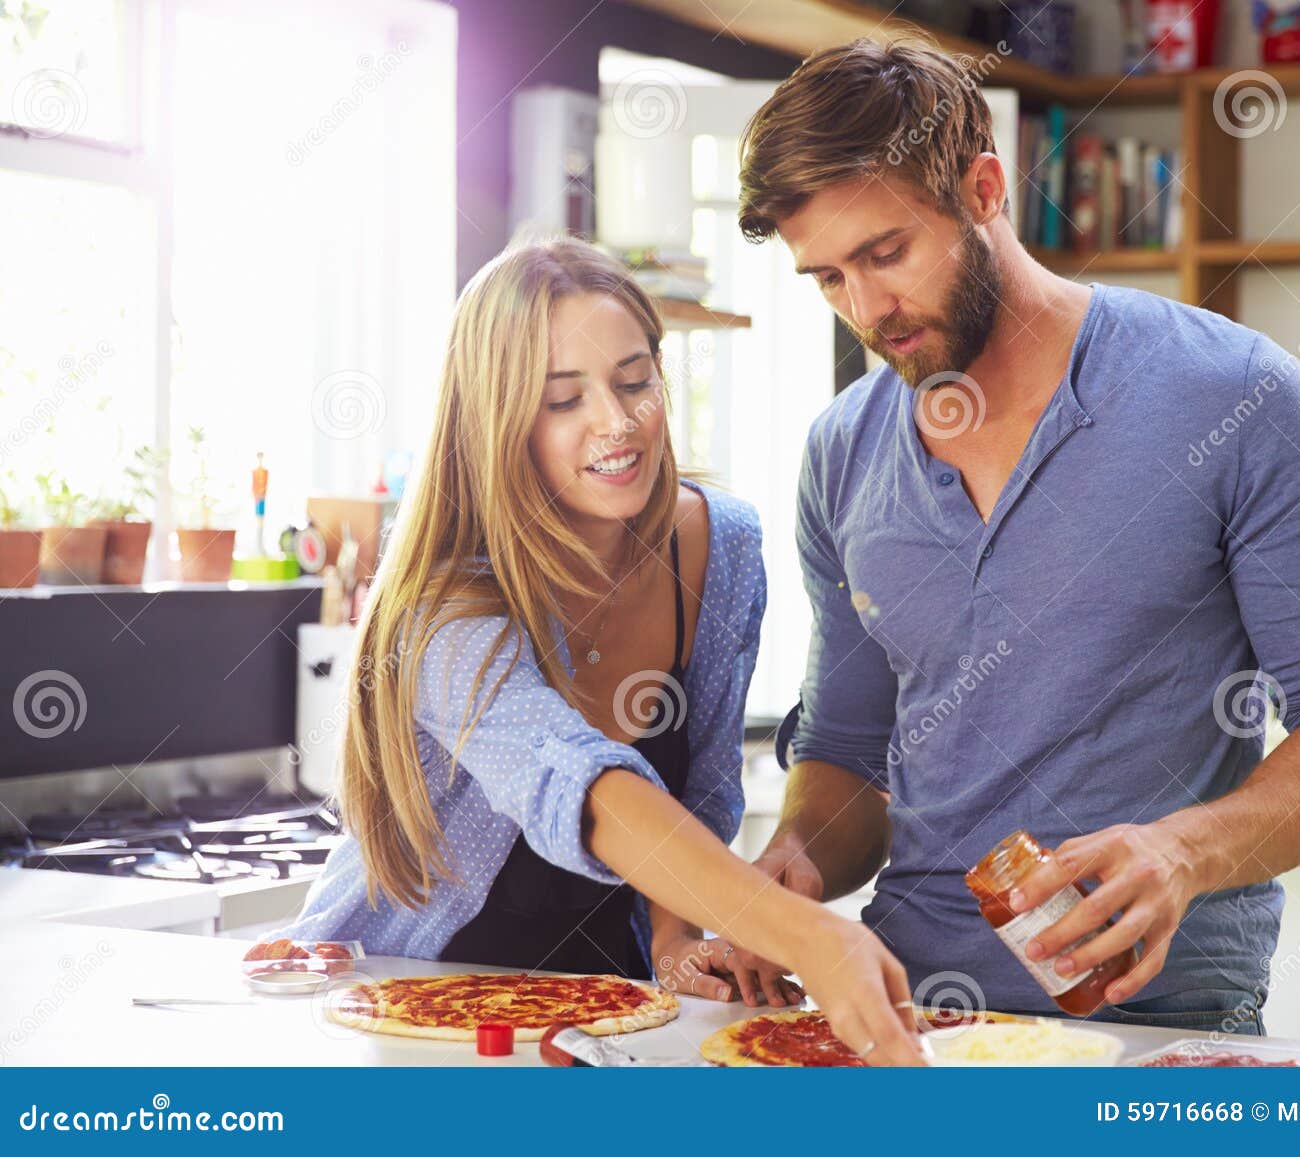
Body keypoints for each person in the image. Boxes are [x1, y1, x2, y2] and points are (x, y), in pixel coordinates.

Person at [738, 40, 1300, 1034]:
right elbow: (849, 753)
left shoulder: (1235, 394)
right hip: (911, 1022)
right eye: (828, 277)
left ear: (984, 188)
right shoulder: (843, 451)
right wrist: (790, 867)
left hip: (1161, 1024)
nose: (866, 310)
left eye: (887, 253)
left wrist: (1180, 850)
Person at [281, 239, 923, 1064]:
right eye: (562, 399)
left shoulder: (719, 547)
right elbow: (575, 780)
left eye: (633, 380)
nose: (617, 423)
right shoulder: (442, 599)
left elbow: (700, 794)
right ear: (497, 420)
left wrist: (677, 942)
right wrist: (810, 938)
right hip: (411, 1003)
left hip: (604, 1015)